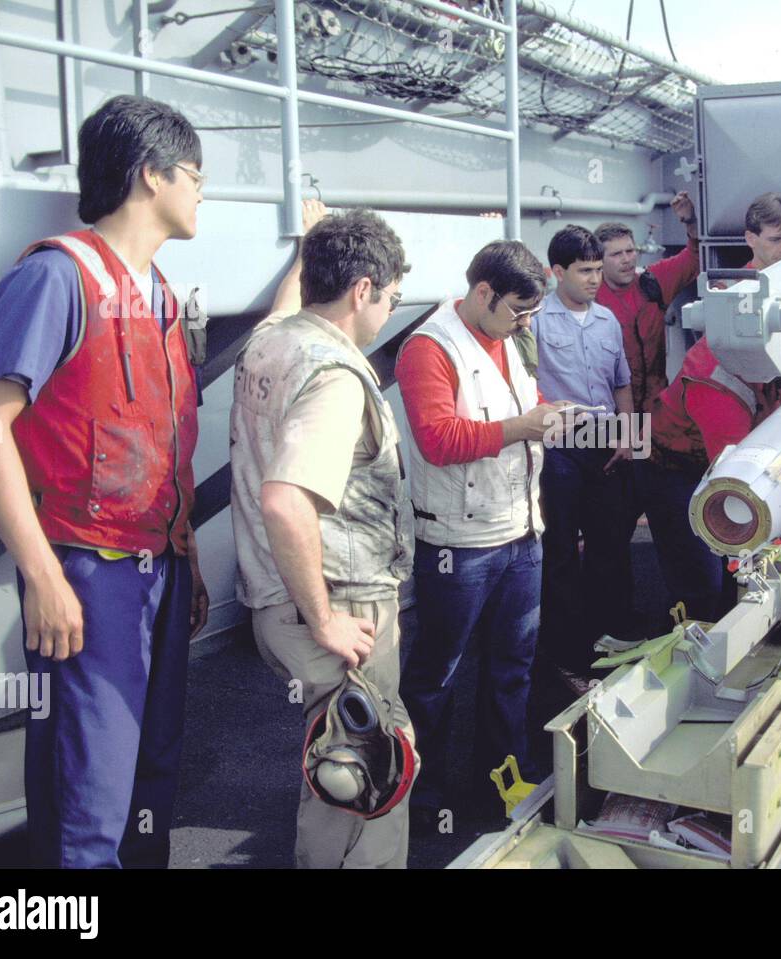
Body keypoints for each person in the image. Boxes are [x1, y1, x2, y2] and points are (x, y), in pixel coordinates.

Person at [0, 95, 208, 868]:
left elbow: (163, 437)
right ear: (151, 175)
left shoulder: (160, 292)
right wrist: (42, 575)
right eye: (194, 175)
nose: (203, 193)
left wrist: (187, 555)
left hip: (157, 566)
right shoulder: (58, 278)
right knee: (87, 796)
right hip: (88, 572)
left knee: (148, 774)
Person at [229, 206, 416, 869]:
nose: (389, 313)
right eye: (389, 298)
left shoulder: (274, 340)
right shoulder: (335, 377)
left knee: (331, 754)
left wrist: (312, 243)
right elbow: (286, 503)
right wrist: (327, 618)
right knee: (366, 770)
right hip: (339, 600)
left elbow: (290, 306)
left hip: (270, 593)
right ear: (362, 289)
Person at [395, 241, 561, 822]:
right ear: (483, 293)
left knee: (511, 667)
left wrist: (552, 415)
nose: (524, 324)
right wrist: (526, 425)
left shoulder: (507, 337)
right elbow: (438, 440)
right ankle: (420, 794)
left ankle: (502, 782)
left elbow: (523, 405)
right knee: (436, 674)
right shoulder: (426, 349)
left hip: (520, 532)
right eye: (518, 311)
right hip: (457, 546)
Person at [641, 193, 781, 625]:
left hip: (738, 441)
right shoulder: (719, 365)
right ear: (750, 239)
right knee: (704, 583)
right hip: (678, 466)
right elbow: (736, 477)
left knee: (765, 561)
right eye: (776, 240)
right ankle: (694, 651)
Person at [533, 225, 635, 670]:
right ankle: (565, 646)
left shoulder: (607, 319)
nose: (595, 279)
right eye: (585, 271)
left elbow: (622, 383)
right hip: (558, 442)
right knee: (558, 549)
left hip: (607, 441)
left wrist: (630, 435)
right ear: (558, 272)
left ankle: (609, 636)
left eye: (598, 269)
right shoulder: (536, 321)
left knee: (609, 544)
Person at [595, 191, 701, 416]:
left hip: (655, 411)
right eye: (616, 254)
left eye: (630, 251)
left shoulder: (653, 282)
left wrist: (690, 221)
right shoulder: (589, 298)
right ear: (598, 261)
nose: (626, 259)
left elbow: (694, 257)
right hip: (609, 415)